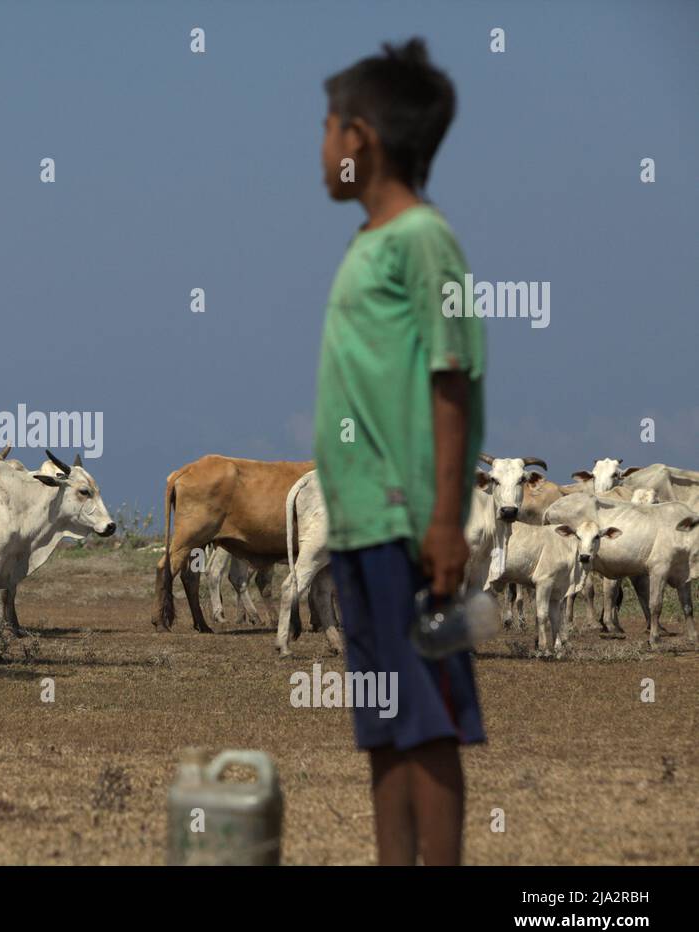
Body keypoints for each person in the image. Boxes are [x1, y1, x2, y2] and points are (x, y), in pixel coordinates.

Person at [312, 38, 486, 865]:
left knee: (428, 720)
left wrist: (445, 519)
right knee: (381, 726)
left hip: (405, 523)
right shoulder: (367, 244)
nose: (320, 147)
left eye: (328, 127)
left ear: (363, 140)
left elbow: (451, 378)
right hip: (353, 529)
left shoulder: (424, 240)